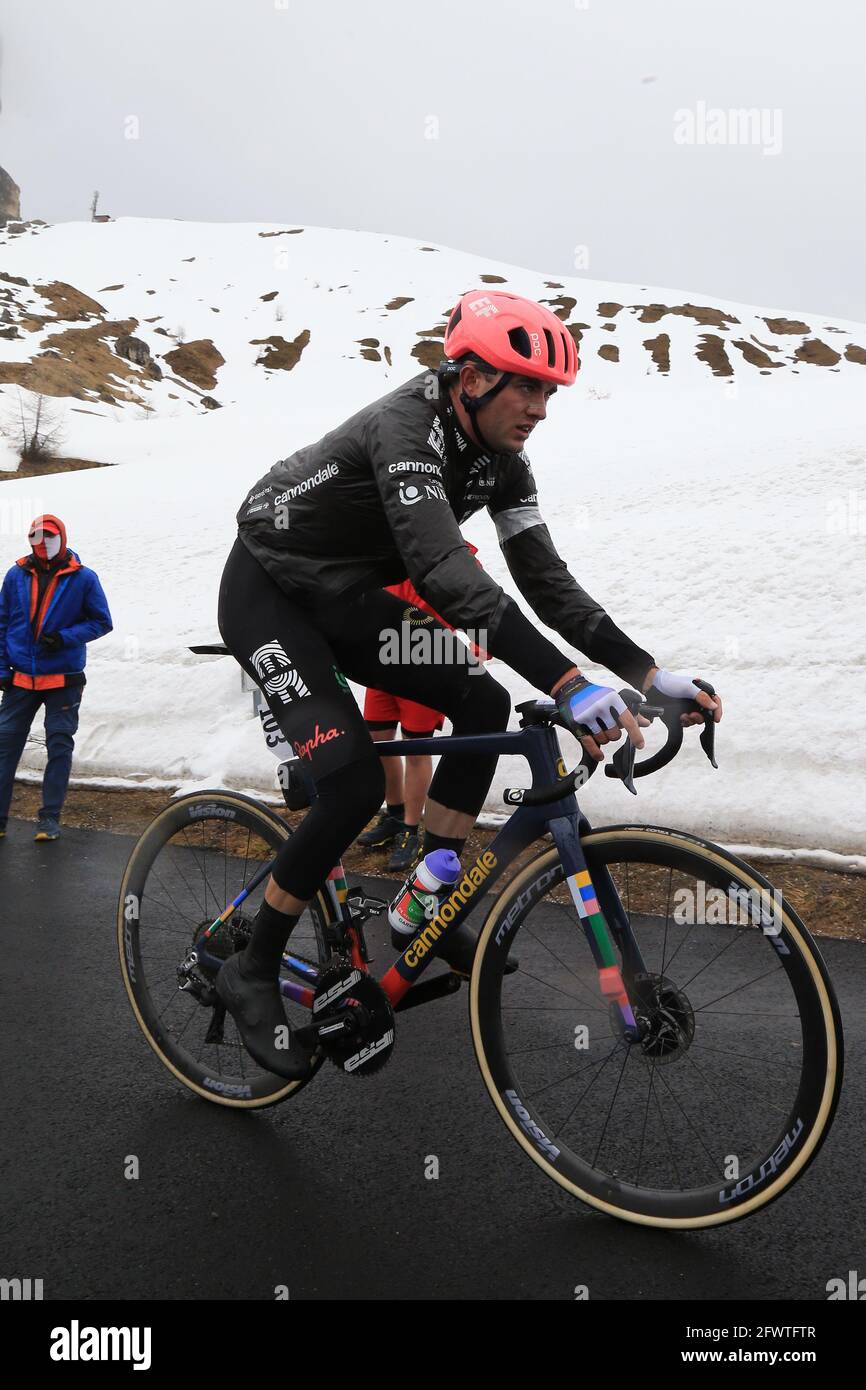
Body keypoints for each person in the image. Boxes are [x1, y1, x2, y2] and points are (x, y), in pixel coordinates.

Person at [216, 289, 722, 1078]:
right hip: (270, 593)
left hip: (346, 596)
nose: (541, 407)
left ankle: (427, 897)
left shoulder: (505, 466)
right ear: (473, 378)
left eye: (549, 391)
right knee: (350, 784)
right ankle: (253, 964)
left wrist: (647, 672)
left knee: (480, 697)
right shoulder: (405, 428)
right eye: (527, 385)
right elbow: (445, 572)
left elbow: (547, 583)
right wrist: (564, 681)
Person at [356, 541, 489, 872]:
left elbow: (481, 602)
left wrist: (479, 644)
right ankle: (395, 813)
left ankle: (410, 830)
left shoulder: (455, 554)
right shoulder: (386, 553)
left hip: (427, 665)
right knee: (379, 744)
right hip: (382, 664)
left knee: (416, 750)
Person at [0, 515, 113, 841]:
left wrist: (64, 637)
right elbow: (3, 622)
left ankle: (49, 820)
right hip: (20, 681)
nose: (42, 543)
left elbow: (101, 621)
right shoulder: (15, 575)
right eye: (36, 537)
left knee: (59, 748)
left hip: (64, 680)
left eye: (49, 537)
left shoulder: (84, 578)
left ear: (61, 538)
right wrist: (2, 670)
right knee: (5, 748)